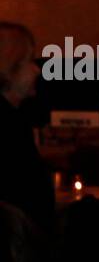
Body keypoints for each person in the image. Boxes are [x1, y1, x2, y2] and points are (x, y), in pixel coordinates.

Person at [0, 21, 53, 233]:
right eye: (29, 61)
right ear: (9, 69)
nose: (36, 70)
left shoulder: (15, 117)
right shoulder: (6, 125)